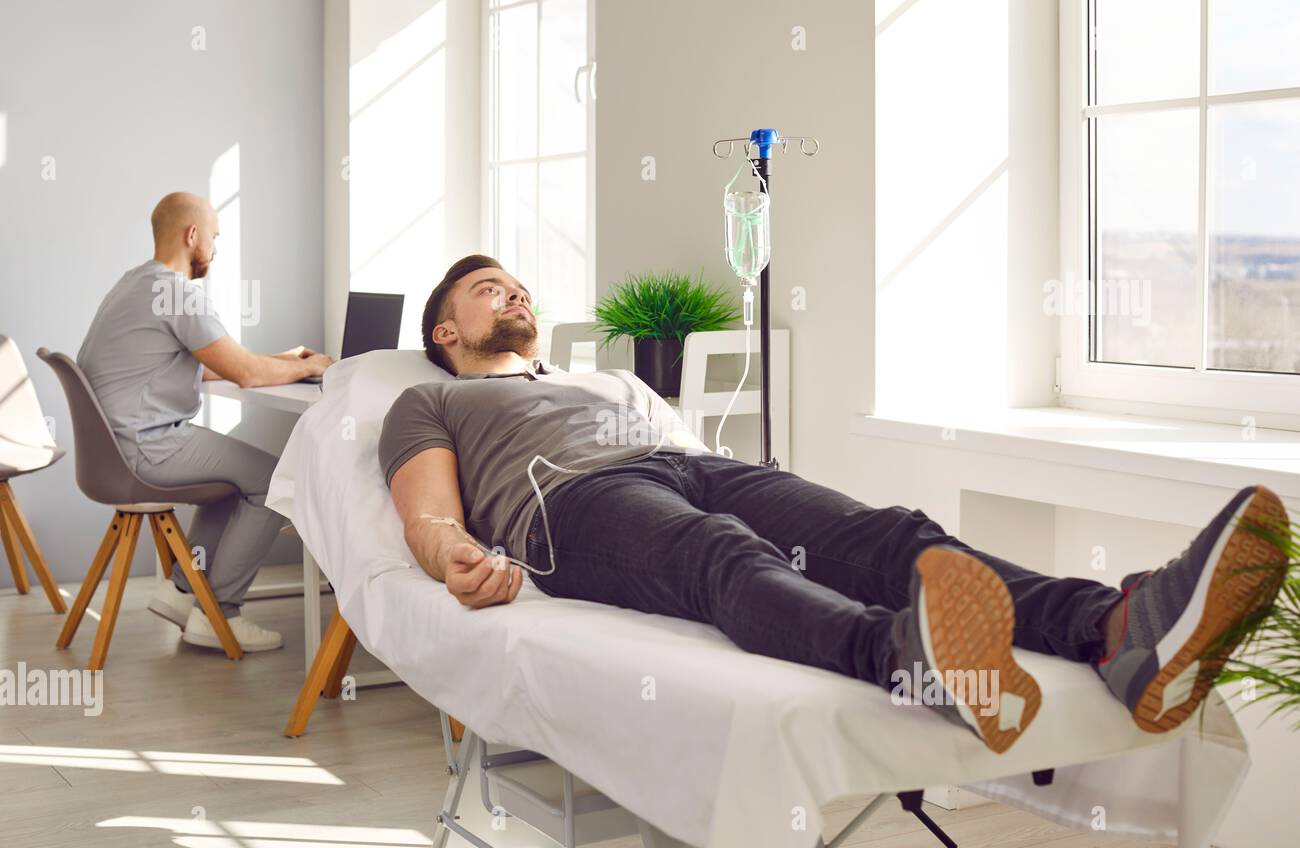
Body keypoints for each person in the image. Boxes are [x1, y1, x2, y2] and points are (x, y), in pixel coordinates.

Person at [378, 254, 1288, 753]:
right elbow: (426, 511)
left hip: (691, 463)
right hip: (572, 505)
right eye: (489, 288)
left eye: (519, 285)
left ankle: (1119, 629)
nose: (515, 292)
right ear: (445, 330)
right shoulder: (434, 399)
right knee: (718, 553)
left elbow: (690, 453)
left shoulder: (609, 378)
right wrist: (450, 553)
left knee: (891, 536)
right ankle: (907, 660)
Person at [78, 192, 335, 652]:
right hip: (147, 447)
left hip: (119, 447)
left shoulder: (136, 283)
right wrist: (308, 368)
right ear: (192, 235)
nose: (215, 249)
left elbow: (215, 364)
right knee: (277, 479)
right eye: (214, 237)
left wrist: (285, 359)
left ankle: (183, 592)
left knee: (231, 479)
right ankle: (221, 614)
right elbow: (245, 373)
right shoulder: (176, 292)